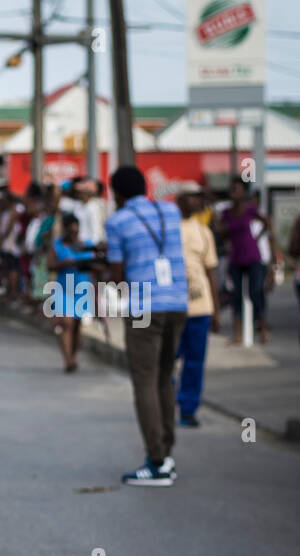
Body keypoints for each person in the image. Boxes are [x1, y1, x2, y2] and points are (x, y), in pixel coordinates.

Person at [105, 165, 188, 487]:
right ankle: (166, 453)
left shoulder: (117, 221)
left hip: (144, 306)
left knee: (144, 380)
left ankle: (156, 462)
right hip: (177, 302)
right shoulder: (170, 212)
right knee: (165, 377)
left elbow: (117, 274)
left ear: (118, 194)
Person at [175, 190, 220, 427]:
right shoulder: (168, 229)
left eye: (198, 197)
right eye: (191, 196)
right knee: (168, 358)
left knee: (195, 361)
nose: (196, 201)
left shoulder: (204, 232)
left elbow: (210, 271)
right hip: (172, 307)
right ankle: (167, 399)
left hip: (200, 307)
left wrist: (216, 310)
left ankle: (188, 409)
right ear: (180, 199)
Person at [219, 180, 275, 344]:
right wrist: (225, 236)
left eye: (236, 190)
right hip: (236, 257)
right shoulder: (226, 213)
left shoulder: (250, 209)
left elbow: (267, 222)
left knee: (255, 293)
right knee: (236, 296)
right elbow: (224, 233)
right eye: (232, 189)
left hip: (252, 256)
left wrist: (258, 237)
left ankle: (263, 329)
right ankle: (238, 334)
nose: (233, 193)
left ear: (243, 193)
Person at [46, 212, 100, 373]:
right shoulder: (57, 245)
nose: (73, 234)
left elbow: (96, 268)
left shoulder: (87, 245)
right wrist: (64, 263)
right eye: (70, 231)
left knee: (76, 325)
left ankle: (73, 356)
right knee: (66, 323)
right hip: (64, 288)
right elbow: (50, 265)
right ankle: (68, 360)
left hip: (82, 289)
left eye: (75, 231)